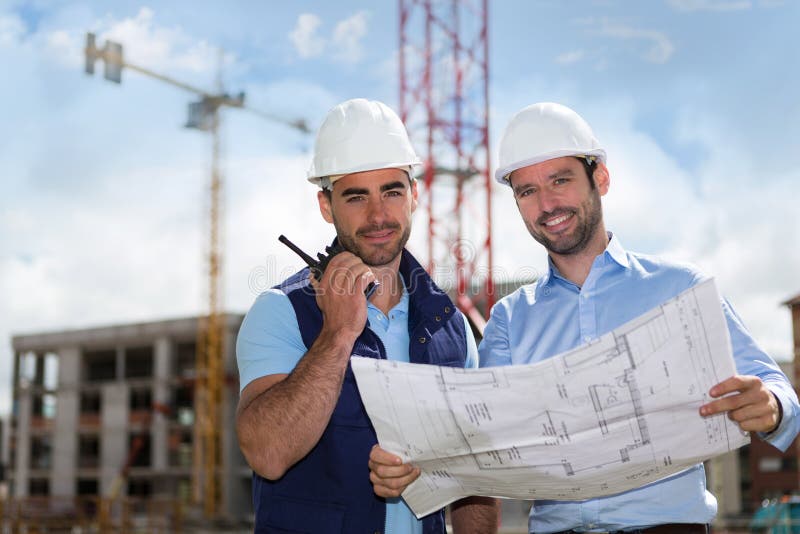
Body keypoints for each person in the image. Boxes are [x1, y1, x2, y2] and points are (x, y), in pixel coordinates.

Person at [477, 102, 800, 533]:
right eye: (527, 191)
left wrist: (771, 405)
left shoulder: (680, 288)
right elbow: (483, 437)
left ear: (600, 178)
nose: (547, 203)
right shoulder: (508, 319)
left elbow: (774, 386)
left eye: (560, 180)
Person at [235, 98, 499, 534]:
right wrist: (338, 333)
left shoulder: (450, 326)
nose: (378, 215)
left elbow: (475, 479)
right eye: (356, 197)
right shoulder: (281, 311)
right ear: (326, 206)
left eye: (392, 191)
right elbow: (268, 453)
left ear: (414, 195)